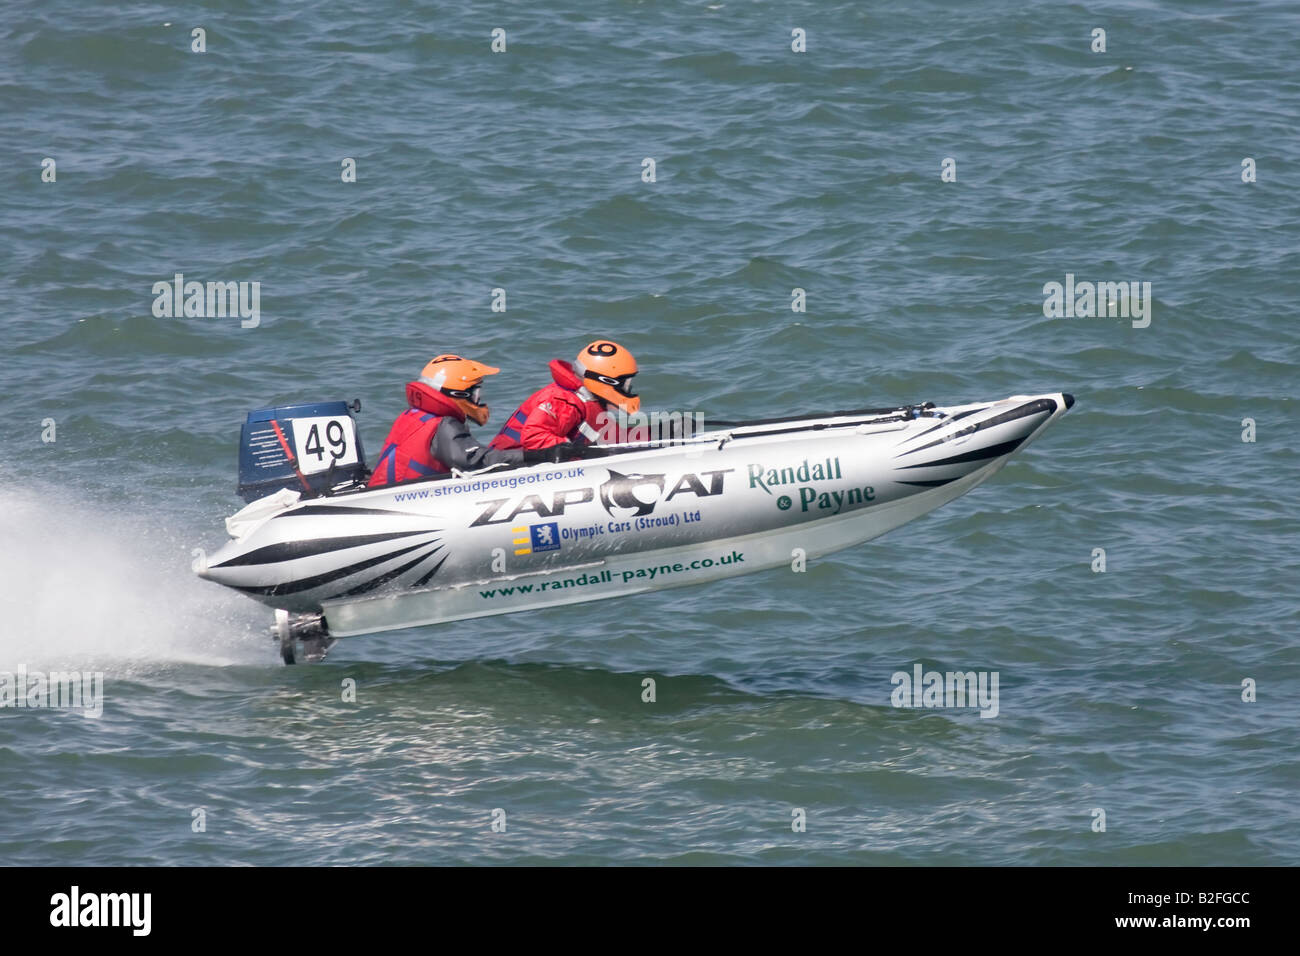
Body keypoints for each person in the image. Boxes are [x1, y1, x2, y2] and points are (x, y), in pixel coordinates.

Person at [367, 354, 525, 488]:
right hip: (410, 501)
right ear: (459, 394)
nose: (479, 399)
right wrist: (532, 456)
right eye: (476, 392)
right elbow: (475, 461)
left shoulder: (412, 415)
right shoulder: (444, 424)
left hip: (388, 491)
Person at [489, 339, 640, 455]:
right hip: (510, 469)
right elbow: (534, 437)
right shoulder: (562, 400)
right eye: (625, 384)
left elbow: (615, 438)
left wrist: (657, 433)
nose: (628, 389)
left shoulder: (589, 401)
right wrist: (577, 452)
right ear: (605, 381)